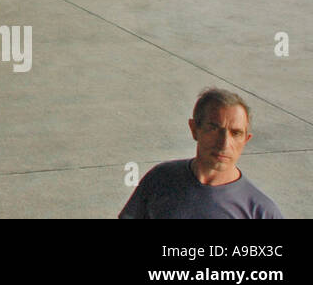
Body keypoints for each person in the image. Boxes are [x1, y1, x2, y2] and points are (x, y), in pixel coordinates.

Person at [119, 88, 283, 218]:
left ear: (246, 140)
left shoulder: (261, 212)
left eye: (236, 133)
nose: (224, 144)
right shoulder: (160, 179)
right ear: (194, 129)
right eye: (214, 128)